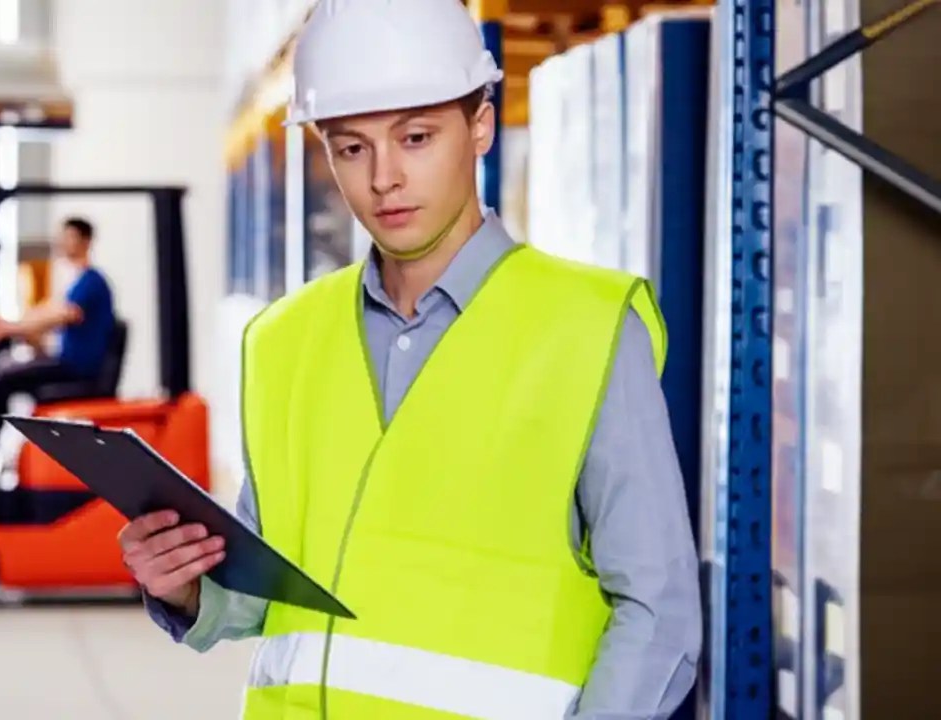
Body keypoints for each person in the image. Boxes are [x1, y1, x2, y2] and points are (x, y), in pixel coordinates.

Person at [117, 1, 701, 718]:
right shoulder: (283, 340)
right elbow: (267, 589)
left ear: (480, 125)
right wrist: (184, 584)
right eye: (351, 147)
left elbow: (658, 610)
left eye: (416, 137)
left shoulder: (586, 326)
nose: (384, 177)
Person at [0, 216, 116, 461]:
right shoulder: (77, 283)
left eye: (70, 237)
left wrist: (10, 328)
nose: (63, 243)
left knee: (1, 381)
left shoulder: (92, 281)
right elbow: (47, 312)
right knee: (4, 372)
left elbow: (60, 315)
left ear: (86, 242)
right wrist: (16, 327)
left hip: (77, 368)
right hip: (68, 362)